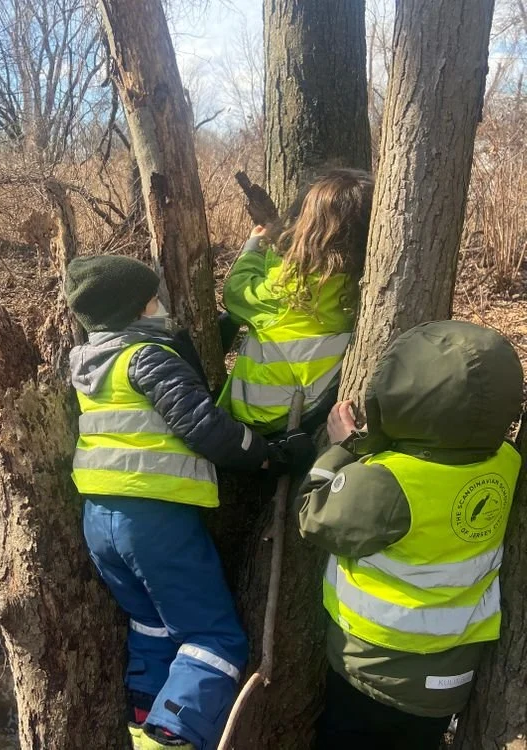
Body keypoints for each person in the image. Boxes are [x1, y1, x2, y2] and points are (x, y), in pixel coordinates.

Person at [64, 254, 314, 750]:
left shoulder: (88, 360)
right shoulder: (147, 358)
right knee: (215, 640)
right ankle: (173, 739)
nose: (162, 305)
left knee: (153, 627)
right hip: (154, 520)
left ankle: (142, 729)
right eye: (152, 298)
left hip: (101, 521)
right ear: (136, 310)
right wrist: (269, 457)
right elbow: (205, 426)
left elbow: (167, 383)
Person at [296, 320, 523, 750]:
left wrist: (345, 448)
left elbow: (313, 514)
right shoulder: (508, 463)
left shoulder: (386, 482)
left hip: (373, 672)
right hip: (449, 679)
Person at [218, 170, 374, 436]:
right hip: (312, 415)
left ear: (308, 227)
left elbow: (235, 293)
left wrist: (255, 248)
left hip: (261, 417)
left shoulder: (289, 287)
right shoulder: (361, 285)